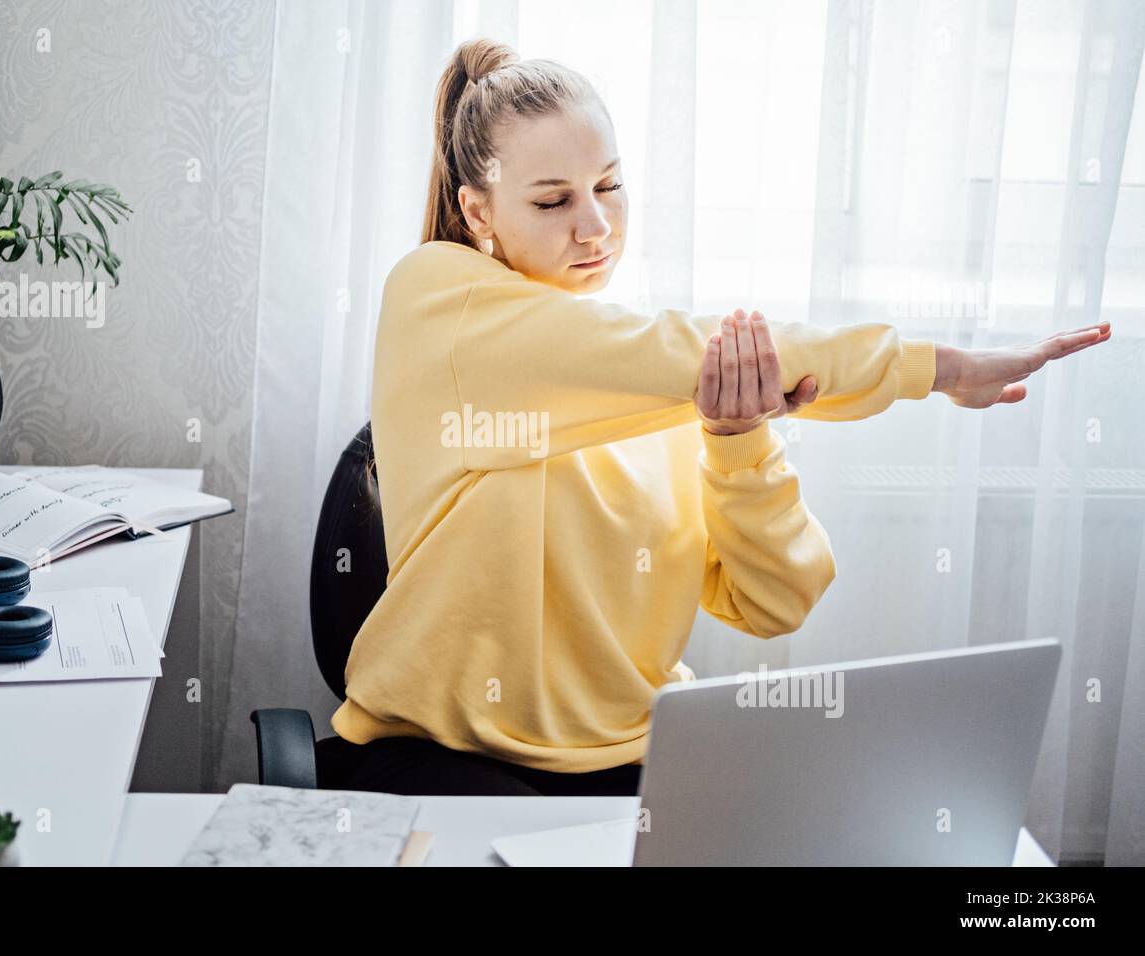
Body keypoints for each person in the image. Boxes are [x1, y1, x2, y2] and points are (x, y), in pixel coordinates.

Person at [317, 38, 1112, 797]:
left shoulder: (660, 382)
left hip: (641, 760)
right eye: (554, 200)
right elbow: (668, 350)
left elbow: (774, 604)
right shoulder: (436, 300)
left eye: (610, 185)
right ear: (478, 212)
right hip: (434, 758)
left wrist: (736, 443)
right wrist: (938, 369)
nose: (595, 227)